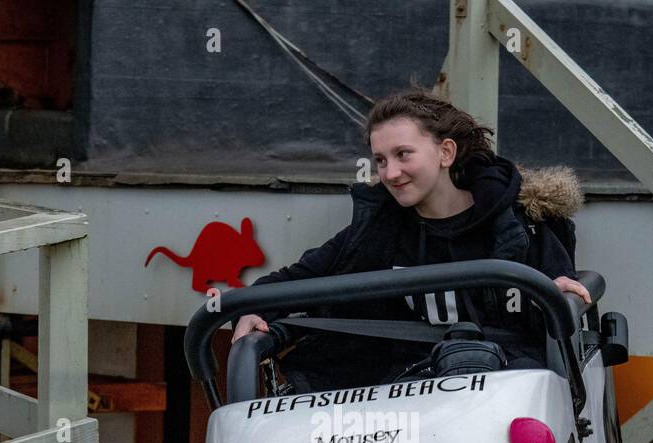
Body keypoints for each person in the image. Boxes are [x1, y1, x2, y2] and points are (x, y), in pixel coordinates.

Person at [231, 86, 591, 392]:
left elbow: (561, 288)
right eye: (380, 160)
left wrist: (560, 291)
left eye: (403, 155)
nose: (390, 173)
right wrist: (254, 306)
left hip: (507, 394)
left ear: (445, 152)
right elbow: (298, 278)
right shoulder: (377, 229)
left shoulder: (523, 223)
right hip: (404, 400)